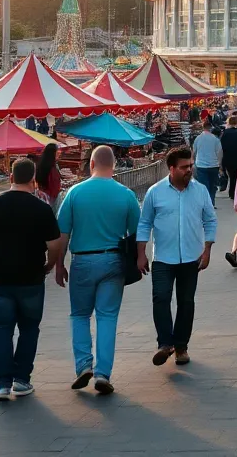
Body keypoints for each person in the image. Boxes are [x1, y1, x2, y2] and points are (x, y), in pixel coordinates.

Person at [0, 158, 63, 401]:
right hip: (31, 278)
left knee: (2, 328)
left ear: (11, 178)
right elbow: (55, 245)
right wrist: (50, 265)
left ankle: (2, 383)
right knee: (29, 328)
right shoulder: (42, 209)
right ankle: (22, 379)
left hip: (0, 278)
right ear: (34, 180)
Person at [54, 145, 141, 395]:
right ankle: (103, 373)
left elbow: (63, 234)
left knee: (80, 315)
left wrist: (59, 264)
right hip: (113, 261)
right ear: (113, 165)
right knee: (107, 317)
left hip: (82, 261)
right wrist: (141, 259)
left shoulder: (74, 193)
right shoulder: (126, 194)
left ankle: (83, 365)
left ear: (91, 164)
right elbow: (137, 233)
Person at [138, 146, 217, 367]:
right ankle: (165, 344)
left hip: (191, 257)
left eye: (191, 165)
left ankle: (181, 346)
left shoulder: (200, 191)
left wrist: (208, 248)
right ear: (171, 169)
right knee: (161, 298)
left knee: (186, 302)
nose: (189, 170)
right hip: (163, 257)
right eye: (184, 167)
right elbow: (144, 223)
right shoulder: (155, 192)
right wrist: (141, 253)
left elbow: (210, 220)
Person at [191, 118, 223, 206]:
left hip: (201, 165)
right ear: (210, 128)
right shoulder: (215, 139)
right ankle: (211, 203)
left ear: (203, 127)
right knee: (213, 186)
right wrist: (220, 164)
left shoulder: (198, 139)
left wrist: (192, 162)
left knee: (203, 186)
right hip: (213, 165)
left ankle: (205, 204)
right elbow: (219, 152)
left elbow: (194, 152)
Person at [220, 114, 237, 200]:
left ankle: (232, 192)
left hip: (227, 157)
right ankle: (234, 192)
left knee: (231, 175)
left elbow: (221, 147)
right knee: (236, 175)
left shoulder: (225, 133)